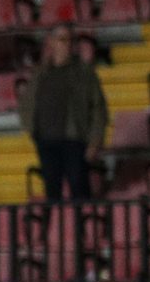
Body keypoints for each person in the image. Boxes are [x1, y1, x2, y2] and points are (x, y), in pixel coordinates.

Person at [23, 27, 107, 203]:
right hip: (47, 141)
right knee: (52, 192)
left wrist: (95, 142)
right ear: (51, 42)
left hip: (75, 140)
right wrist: (32, 130)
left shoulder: (84, 73)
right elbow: (28, 103)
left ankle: (83, 229)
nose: (67, 45)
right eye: (62, 40)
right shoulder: (41, 74)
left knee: (79, 189)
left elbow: (99, 109)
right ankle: (55, 229)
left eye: (70, 41)